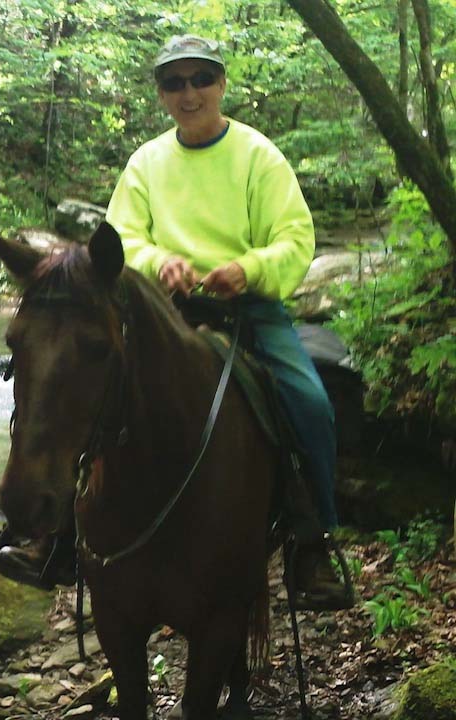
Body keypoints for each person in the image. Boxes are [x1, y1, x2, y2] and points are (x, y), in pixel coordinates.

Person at [105, 34, 353, 611]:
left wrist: (248, 269)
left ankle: (310, 541)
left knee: (309, 401)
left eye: (199, 80)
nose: (188, 93)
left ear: (220, 84)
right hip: (165, 309)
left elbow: (294, 238)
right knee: (85, 386)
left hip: (247, 307)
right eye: (174, 82)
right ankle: (56, 538)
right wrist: (154, 261)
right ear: (162, 94)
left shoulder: (257, 155)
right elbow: (120, 238)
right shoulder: (145, 163)